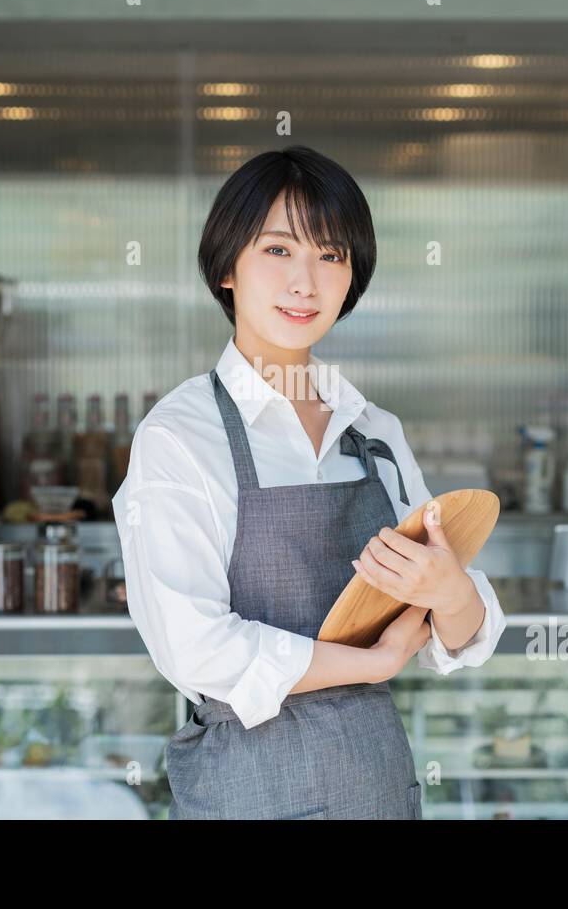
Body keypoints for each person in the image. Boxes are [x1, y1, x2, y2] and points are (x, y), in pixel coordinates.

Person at [111, 145, 506, 819]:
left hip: (377, 783)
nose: (306, 283)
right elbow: (194, 647)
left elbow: (469, 636)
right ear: (226, 265)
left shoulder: (374, 432)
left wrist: (451, 591)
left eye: (331, 256)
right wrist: (370, 665)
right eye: (278, 251)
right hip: (249, 789)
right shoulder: (181, 435)